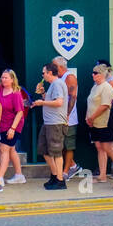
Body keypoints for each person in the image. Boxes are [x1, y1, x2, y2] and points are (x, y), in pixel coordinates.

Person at [33, 62, 70, 190]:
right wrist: (43, 93)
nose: (42, 75)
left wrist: (41, 102)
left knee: (56, 152)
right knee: (44, 150)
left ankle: (60, 180)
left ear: (49, 73)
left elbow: (59, 102)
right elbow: (53, 101)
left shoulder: (58, 84)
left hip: (56, 123)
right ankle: (55, 175)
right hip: (48, 122)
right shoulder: (52, 85)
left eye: (43, 73)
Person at [0, 69, 28, 186]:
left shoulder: (16, 93)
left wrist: (12, 129)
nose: (3, 80)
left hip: (13, 125)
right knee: (11, 150)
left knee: (4, 149)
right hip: (1, 124)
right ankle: (19, 175)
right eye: (2, 77)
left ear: (12, 79)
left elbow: (20, 112)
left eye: (6, 78)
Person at [87, 64, 113, 182]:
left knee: (108, 147)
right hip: (95, 123)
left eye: (95, 73)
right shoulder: (95, 87)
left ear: (102, 74)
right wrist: (89, 118)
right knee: (99, 147)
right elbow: (91, 103)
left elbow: (105, 105)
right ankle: (102, 175)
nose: (93, 75)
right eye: (93, 72)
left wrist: (91, 117)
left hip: (105, 123)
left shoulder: (106, 87)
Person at [51, 57, 82, 179]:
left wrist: (68, 114)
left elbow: (73, 97)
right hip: (59, 117)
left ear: (60, 67)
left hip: (69, 118)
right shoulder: (59, 79)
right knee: (61, 145)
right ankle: (73, 166)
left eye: (54, 66)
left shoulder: (70, 77)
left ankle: (66, 171)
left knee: (68, 145)